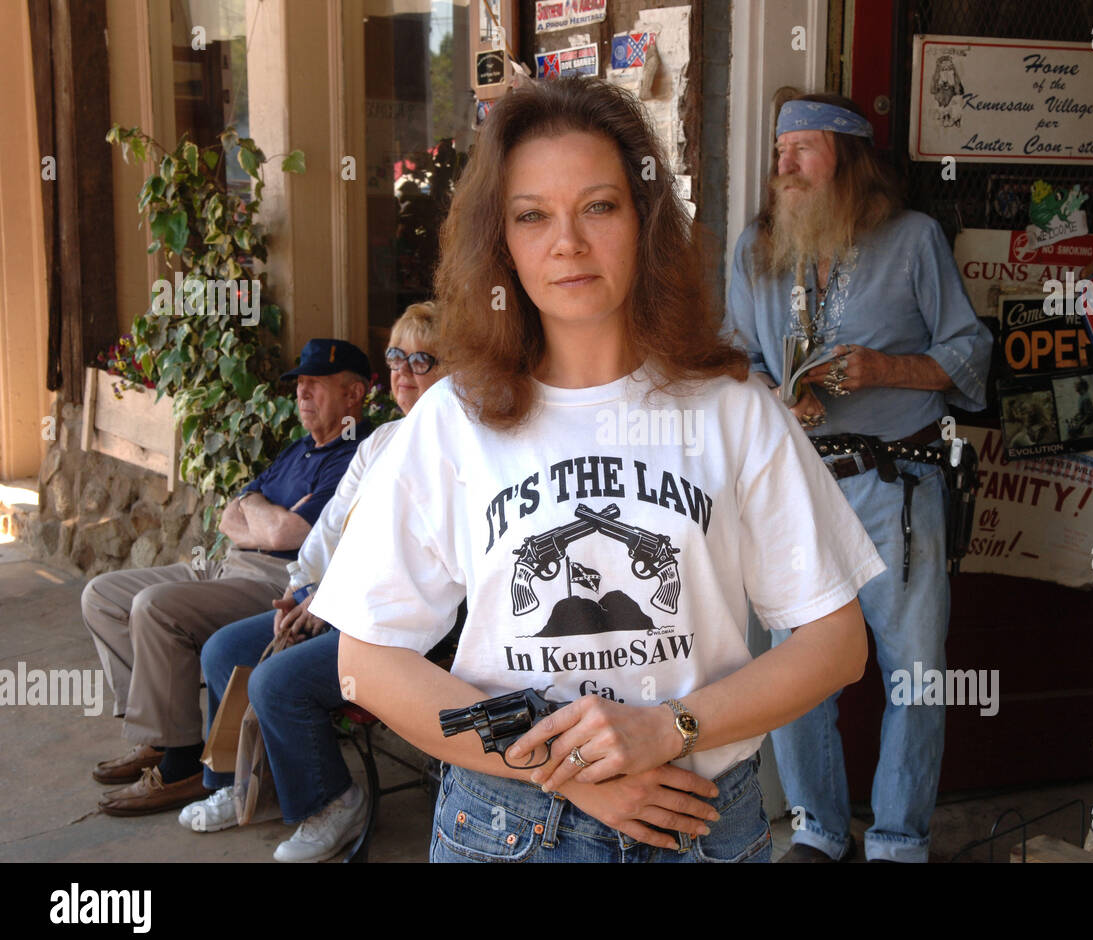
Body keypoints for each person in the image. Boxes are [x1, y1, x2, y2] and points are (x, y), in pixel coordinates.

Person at [309, 77, 886, 864]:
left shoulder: (733, 409)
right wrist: (563, 768)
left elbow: (836, 641)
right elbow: (366, 663)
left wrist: (668, 726)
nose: (567, 243)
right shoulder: (454, 421)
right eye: (532, 215)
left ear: (644, 221)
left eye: (599, 206)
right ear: (501, 241)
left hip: (699, 817)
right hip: (508, 825)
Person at [726, 93, 992, 863]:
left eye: (802, 149)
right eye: (780, 152)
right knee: (796, 668)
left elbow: (969, 352)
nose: (785, 166)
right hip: (800, 491)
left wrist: (885, 368)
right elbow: (735, 359)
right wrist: (778, 398)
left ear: (847, 158)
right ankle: (815, 826)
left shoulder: (913, 241)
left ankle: (901, 839)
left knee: (915, 671)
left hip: (896, 485)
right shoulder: (755, 250)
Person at [181, 305, 447, 862]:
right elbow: (328, 532)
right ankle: (250, 782)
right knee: (225, 649)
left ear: (454, 371)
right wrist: (302, 588)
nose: (403, 371)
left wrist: (330, 603)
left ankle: (333, 802)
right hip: (339, 605)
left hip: (411, 629)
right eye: (396, 356)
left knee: (278, 682)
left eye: (422, 360)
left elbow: (415, 563)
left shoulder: (457, 449)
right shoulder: (379, 442)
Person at [82, 339, 373, 816]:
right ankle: (161, 735)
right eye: (299, 384)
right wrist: (261, 514)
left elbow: (289, 533)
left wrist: (257, 514)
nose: (302, 393)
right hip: (224, 564)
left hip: (274, 578)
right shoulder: (299, 451)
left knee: (155, 607)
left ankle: (181, 766)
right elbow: (229, 516)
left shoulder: (353, 454)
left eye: (315, 384)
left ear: (354, 394)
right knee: (103, 596)